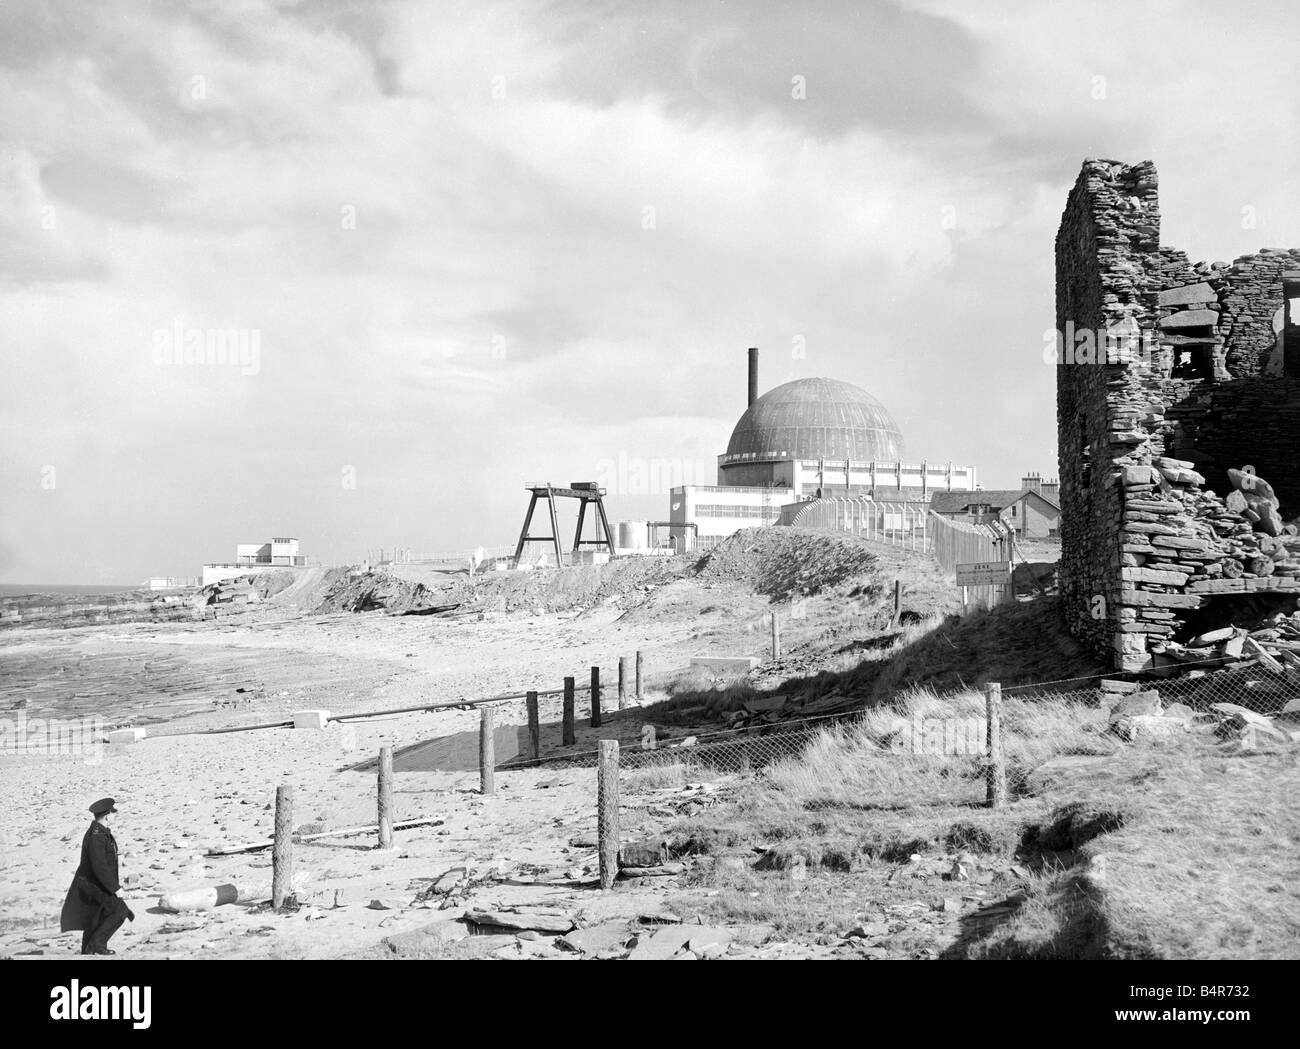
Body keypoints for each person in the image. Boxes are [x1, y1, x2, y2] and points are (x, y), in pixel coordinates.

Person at [60, 797, 134, 955]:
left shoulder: (100, 832)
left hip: (96, 884)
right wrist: (115, 888)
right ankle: (96, 946)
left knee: (95, 916)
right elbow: (99, 866)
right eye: (113, 814)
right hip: (94, 886)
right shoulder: (97, 836)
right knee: (119, 911)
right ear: (107, 816)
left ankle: (88, 951)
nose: (115, 816)